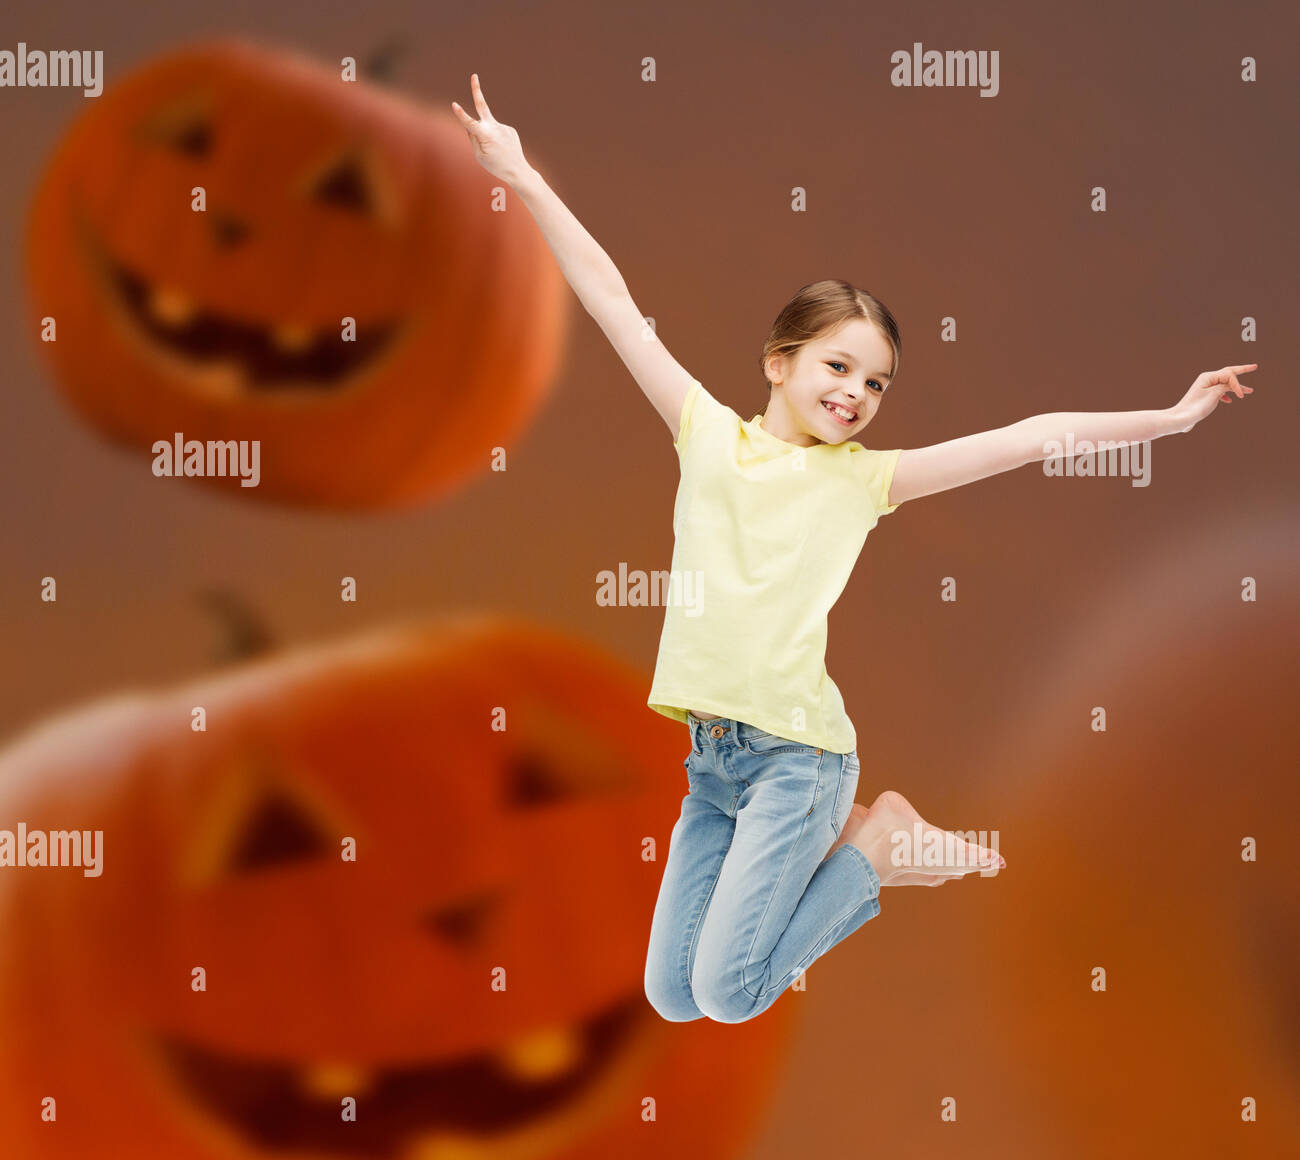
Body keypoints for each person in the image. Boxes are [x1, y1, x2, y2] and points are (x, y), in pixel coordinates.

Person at [451, 74, 1258, 1024]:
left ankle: (879, 846)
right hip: (713, 762)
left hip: (801, 760)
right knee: (673, 997)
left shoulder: (866, 479)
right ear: (778, 362)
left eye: (875, 384)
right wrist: (522, 176)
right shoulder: (705, 433)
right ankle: (876, 847)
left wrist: (1171, 417)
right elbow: (611, 297)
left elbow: (1032, 437)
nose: (855, 395)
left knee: (731, 991)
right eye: (838, 367)